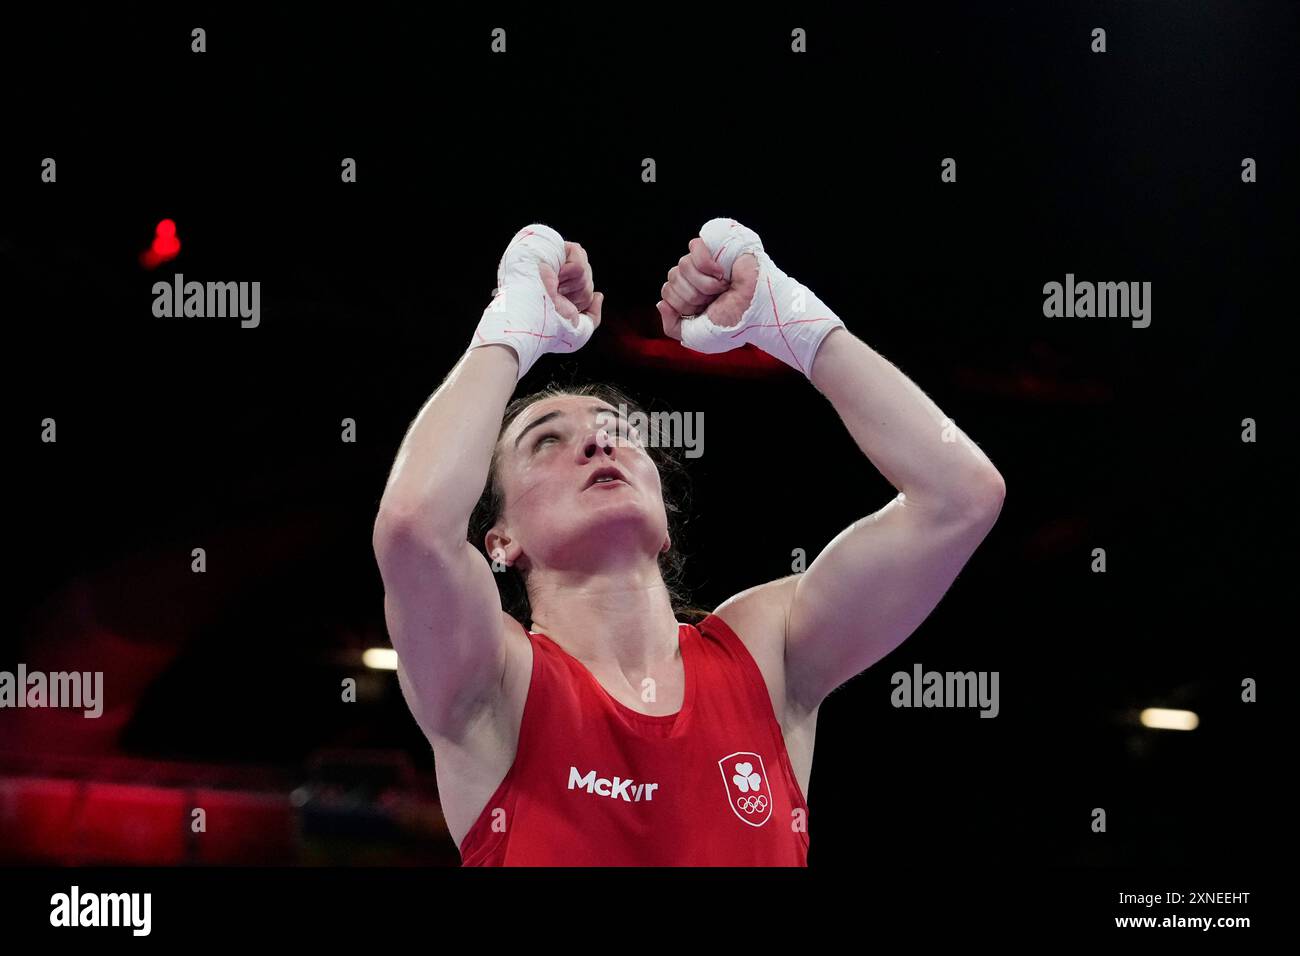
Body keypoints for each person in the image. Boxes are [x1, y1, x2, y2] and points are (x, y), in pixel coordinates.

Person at [372, 219, 1006, 865]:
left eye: (618, 432)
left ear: (665, 522)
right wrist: (508, 330)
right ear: (501, 541)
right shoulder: (494, 682)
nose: (598, 443)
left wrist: (795, 321)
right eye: (547, 441)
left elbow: (960, 497)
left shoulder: (765, 653)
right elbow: (414, 526)